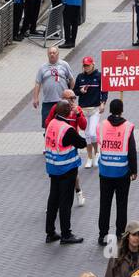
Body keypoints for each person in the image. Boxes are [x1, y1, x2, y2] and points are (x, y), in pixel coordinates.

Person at [44, 99, 87, 245]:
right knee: (65, 202)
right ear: (68, 112)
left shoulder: (51, 124)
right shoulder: (66, 129)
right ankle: (66, 234)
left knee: (53, 200)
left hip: (53, 167)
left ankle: (50, 232)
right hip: (66, 169)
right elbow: (82, 143)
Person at [97, 99, 138, 244]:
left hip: (105, 171)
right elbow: (131, 151)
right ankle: (120, 234)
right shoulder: (127, 127)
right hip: (122, 172)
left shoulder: (101, 125)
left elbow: (99, 143)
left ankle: (103, 235)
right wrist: (134, 170)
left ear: (110, 109)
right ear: (122, 110)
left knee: (104, 203)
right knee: (122, 204)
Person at [33, 45, 74, 129]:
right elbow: (38, 83)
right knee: (47, 125)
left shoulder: (64, 65)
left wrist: (70, 94)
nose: (52, 54)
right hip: (48, 101)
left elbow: (71, 80)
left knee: (63, 125)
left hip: (62, 101)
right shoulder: (42, 68)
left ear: (58, 54)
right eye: (50, 53)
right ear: (47, 54)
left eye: (54, 53)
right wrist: (36, 98)